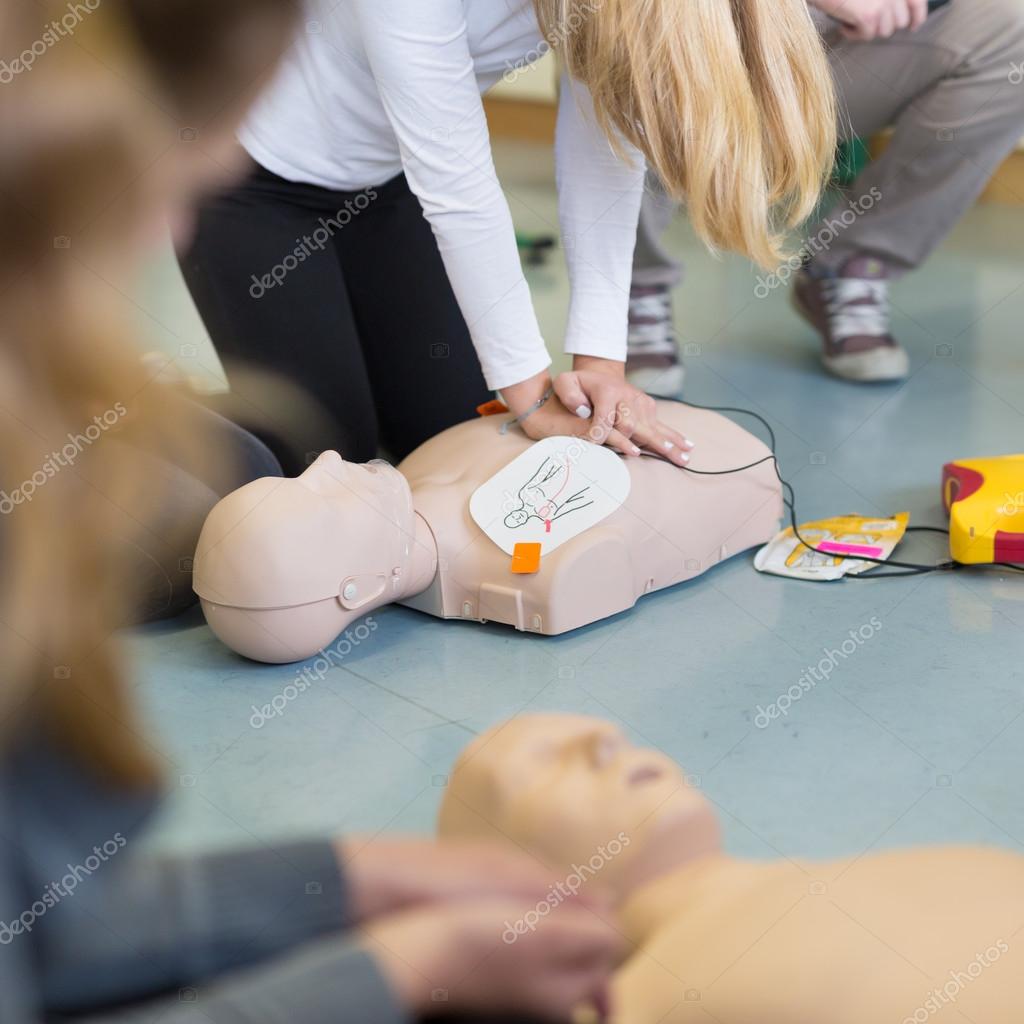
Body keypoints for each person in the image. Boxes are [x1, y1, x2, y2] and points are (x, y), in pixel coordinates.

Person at [0, 3, 621, 1021]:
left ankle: (172, 427)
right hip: (283, 208)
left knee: (318, 447)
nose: (173, 225)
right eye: (165, 172)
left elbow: (52, 920)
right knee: (256, 482)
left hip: (362, 196)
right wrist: (403, 972)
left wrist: (355, 882)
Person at [178, 0, 837, 474]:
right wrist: (535, 398)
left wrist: (599, 366)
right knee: (327, 466)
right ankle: (147, 411)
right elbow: (459, 188)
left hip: (384, 183)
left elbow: (603, 150)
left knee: (453, 437)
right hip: (243, 177)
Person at [439, 714, 1024, 1022]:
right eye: (545, 768)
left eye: (612, 739)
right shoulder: (634, 1001)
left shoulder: (829, 876)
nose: (605, 748)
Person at [626, 0, 1024, 390]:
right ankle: (630, 286)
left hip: (821, 50)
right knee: (622, 33)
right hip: (684, 42)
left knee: (1010, 30)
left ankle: (850, 268)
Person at [192, 404, 782, 663]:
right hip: (721, 453)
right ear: (355, 591)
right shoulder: (531, 572)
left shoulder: (420, 465)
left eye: (299, 479)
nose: (325, 464)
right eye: (323, 502)